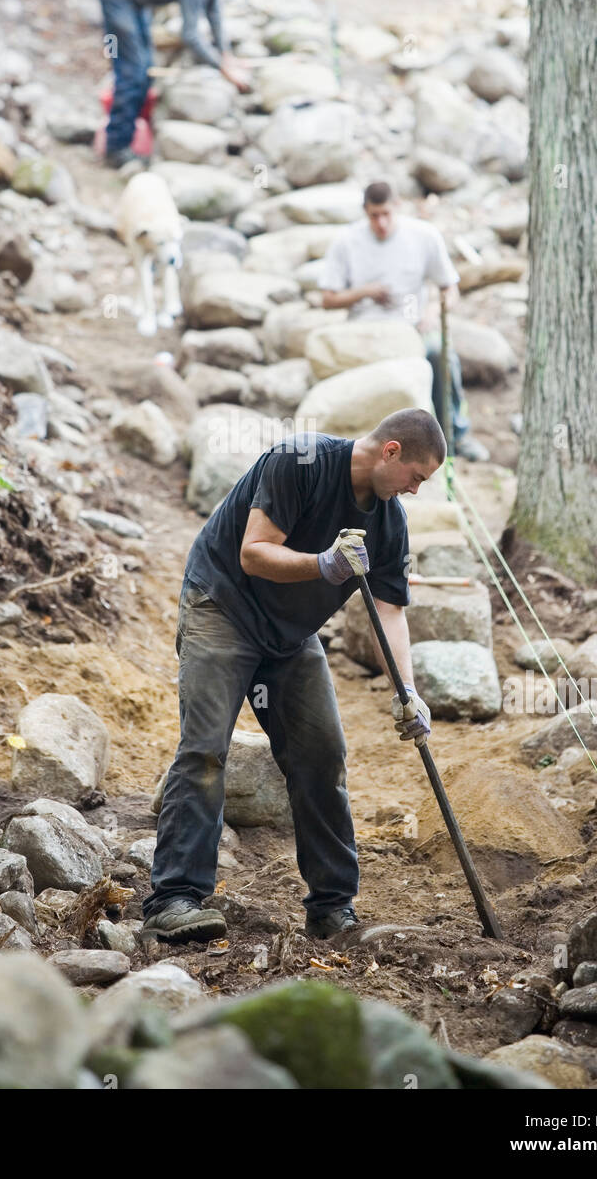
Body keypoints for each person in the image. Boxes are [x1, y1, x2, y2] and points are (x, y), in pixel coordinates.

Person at [142, 409, 443, 945]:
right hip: (223, 606)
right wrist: (324, 565)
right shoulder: (299, 461)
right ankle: (175, 900)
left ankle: (331, 908)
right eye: (416, 477)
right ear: (391, 451)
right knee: (206, 751)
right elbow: (254, 554)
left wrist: (408, 691)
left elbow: (392, 609)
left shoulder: (389, 521)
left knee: (322, 755)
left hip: (288, 637)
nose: (415, 490)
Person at [319, 181, 490, 463]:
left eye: (386, 214)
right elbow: (327, 298)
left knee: (440, 355)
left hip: (413, 325)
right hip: (365, 328)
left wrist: (433, 311)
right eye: (374, 216)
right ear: (365, 212)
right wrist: (365, 292)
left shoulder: (423, 235)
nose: (381, 223)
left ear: (397, 206)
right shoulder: (347, 241)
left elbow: (450, 286)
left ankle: (457, 434)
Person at [96, 0, 262, 168]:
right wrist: (223, 68)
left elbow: (214, 13)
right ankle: (116, 148)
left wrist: (227, 55)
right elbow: (190, 35)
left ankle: (126, 140)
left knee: (145, 70)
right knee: (132, 71)